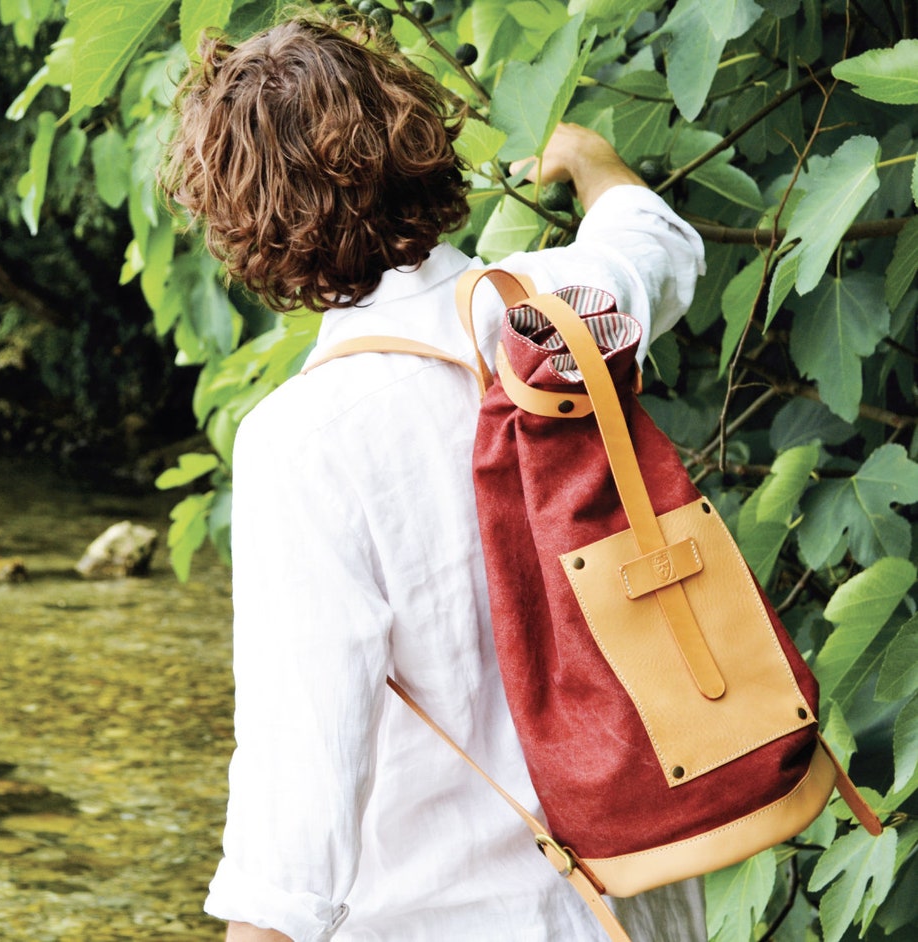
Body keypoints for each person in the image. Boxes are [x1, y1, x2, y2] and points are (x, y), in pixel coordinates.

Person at [162, 14, 707, 942]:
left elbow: (299, 792)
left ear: (242, 221)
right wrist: (590, 160)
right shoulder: (560, 312)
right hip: (644, 902)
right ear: (413, 139)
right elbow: (656, 241)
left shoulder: (301, 443)